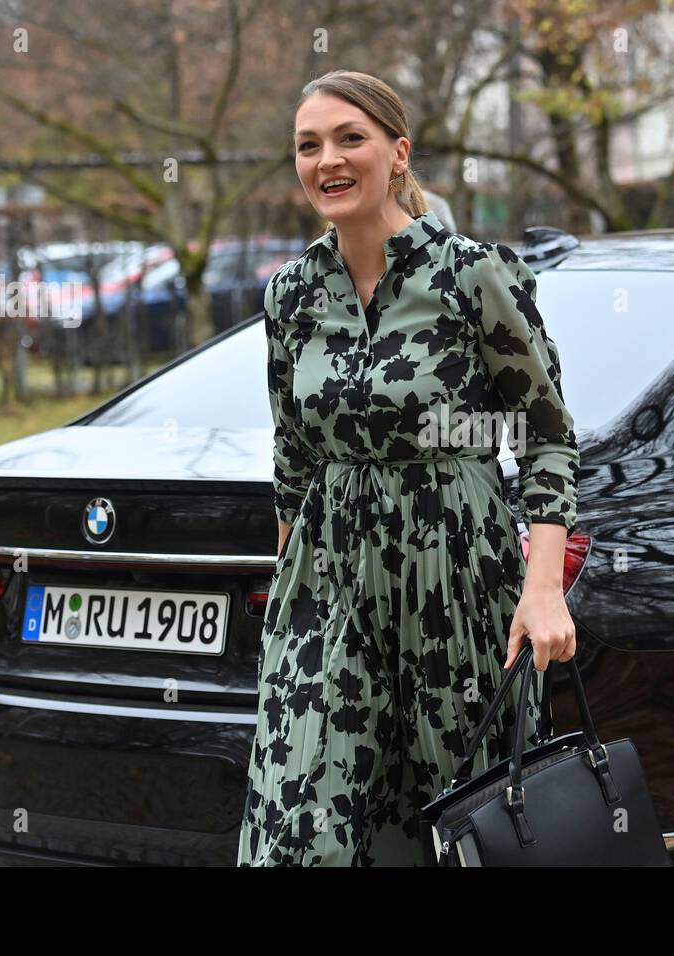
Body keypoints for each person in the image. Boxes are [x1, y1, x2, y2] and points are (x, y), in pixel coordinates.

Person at [238, 69, 580, 866]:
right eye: (308, 145)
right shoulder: (291, 295)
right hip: (330, 584)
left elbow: (546, 438)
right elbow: (294, 454)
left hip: (453, 577)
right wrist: (288, 593)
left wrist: (542, 588)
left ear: (398, 153)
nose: (327, 159)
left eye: (349, 138)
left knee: (468, 829)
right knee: (301, 829)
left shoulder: (471, 275)